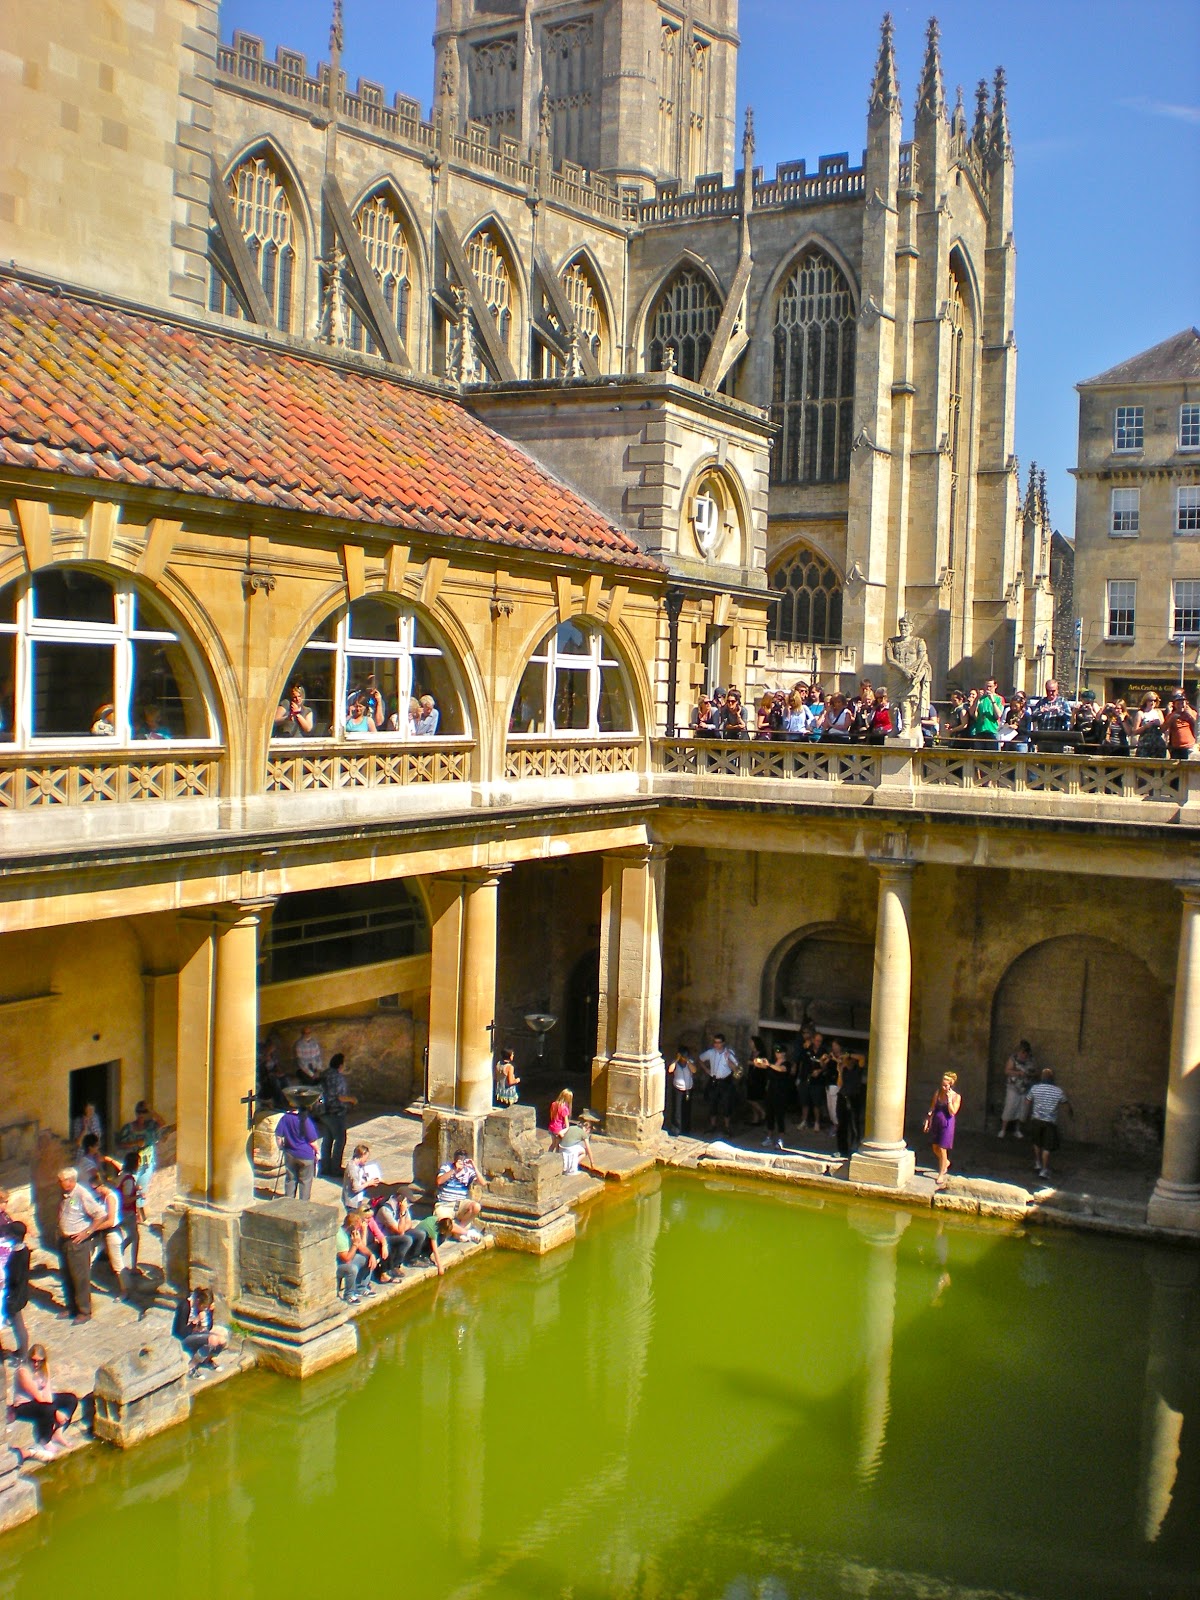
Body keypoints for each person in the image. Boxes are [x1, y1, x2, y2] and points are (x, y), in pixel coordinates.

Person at [11, 1346, 78, 1461]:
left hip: (42, 1401)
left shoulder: (44, 1368)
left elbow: (47, 1393)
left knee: (71, 1399)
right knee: (48, 1409)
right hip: (24, 1405)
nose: (36, 1364)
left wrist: (54, 1407)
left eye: (39, 1361)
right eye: (33, 1360)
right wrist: (56, 1412)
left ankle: (58, 1433)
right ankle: (44, 1440)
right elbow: (37, 1396)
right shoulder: (23, 1371)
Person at [57, 1166, 104, 1323]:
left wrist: (87, 1232)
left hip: (78, 1242)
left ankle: (84, 1311)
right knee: (67, 1276)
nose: (59, 1183)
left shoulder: (82, 1193)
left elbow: (99, 1215)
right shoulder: (66, 1194)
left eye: (61, 1180)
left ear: (70, 1181)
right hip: (64, 1240)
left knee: (80, 1277)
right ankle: (71, 1307)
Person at [1025, 1067, 1073, 1182]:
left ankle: (1037, 1163)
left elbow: (1027, 1101)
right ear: (1052, 1078)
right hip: (1049, 1122)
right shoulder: (1058, 1091)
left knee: (1037, 1142)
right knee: (1047, 1146)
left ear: (1042, 1077)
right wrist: (1070, 1113)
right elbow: (1065, 1104)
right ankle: (1044, 1169)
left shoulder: (1035, 1088)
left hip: (1036, 1120)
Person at [172, 1285, 228, 1377]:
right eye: (204, 1307)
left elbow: (208, 1328)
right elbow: (179, 1333)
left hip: (198, 1334)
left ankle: (207, 1359)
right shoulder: (185, 1306)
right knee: (213, 1339)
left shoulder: (202, 1308)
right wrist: (195, 1322)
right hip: (183, 1338)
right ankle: (191, 1367)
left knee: (222, 1340)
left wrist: (210, 1313)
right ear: (198, 1301)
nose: (204, 1309)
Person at [89, 1166, 127, 1296]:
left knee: (117, 1264)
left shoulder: (110, 1197)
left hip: (111, 1232)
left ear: (100, 1186)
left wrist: (91, 1229)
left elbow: (111, 1220)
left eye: (95, 1188)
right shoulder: (102, 1198)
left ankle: (125, 1291)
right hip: (102, 1234)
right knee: (89, 1259)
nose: (94, 1191)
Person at [116, 1102, 164, 1206]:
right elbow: (120, 1144)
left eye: (144, 1112)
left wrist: (151, 1111)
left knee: (142, 1189)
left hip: (147, 1163)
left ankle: (139, 1214)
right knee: (130, 1189)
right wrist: (134, 1143)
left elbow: (163, 1125)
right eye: (139, 1112)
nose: (141, 1114)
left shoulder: (152, 1126)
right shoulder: (128, 1128)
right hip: (132, 1164)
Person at [319, 1053, 356, 1178]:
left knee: (327, 1139)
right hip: (336, 1111)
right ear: (340, 1065)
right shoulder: (338, 1078)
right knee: (340, 1140)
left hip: (323, 1111)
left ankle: (325, 1167)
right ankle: (335, 1168)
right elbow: (340, 1096)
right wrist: (352, 1099)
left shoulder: (324, 1074)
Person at [275, 1099, 321, 1201]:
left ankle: (288, 1201)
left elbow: (278, 1136)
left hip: (290, 1153)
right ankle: (303, 1205)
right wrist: (318, 1151)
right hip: (305, 1155)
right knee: (305, 1182)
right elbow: (312, 1140)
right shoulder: (305, 1120)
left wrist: (281, 1146)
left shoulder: (285, 1118)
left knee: (290, 1179)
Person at [434, 1151, 484, 1242]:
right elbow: (439, 1181)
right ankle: (465, 1233)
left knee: (476, 1207)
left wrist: (474, 1167)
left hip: (460, 1203)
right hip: (445, 1204)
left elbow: (483, 1183)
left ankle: (458, 1232)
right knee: (444, 1221)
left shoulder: (468, 1170)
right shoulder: (446, 1167)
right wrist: (454, 1170)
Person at [923, 1072, 961, 1191]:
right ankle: (945, 1162)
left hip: (947, 1123)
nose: (943, 1087)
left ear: (951, 1085)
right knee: (935, 1147)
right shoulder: (938, 1093)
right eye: (942, 1085)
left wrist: (949, 1100)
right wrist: (928, 1119)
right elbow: (932, 1107)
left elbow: (953, 1112)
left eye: (946, 1086)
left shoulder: (956, 1097)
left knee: (942, 1147)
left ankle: (941, 1173)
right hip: (937, 1121)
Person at [3, 1222, 31, 1364]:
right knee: (17, 1323)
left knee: (18, 1324)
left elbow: (15, 1277)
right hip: (18, 1292)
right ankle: (22, 1351)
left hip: (16, 1294)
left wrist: (5, 1283)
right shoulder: (22, 1250)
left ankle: (23, 1355)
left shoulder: (19, 1254)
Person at [699, 1033, 738, 1134]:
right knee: (712, 1102)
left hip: (726, 1081)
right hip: (714, 1080)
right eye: (715, 1042)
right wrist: (706, 1069)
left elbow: (735, 1068)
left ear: (723, 1043)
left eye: (718, 1043)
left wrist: (728, 1059)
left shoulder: (729, 1053)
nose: (716, 1045)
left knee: (726, 1104)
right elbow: (700, 1059)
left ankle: (727, 1126)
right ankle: (713, 1125)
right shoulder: (711, 1052)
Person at [336, 1212, 377, 1304]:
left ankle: (361, 1288)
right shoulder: (340, 1236)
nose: (359, 1228)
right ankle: (349, 1295)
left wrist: (371, 1255)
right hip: (338, 1265)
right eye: (358, 1226)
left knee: (366, 1259)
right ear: (351, 1226)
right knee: (352, 1268)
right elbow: (346, 1259)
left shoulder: (353, 1232)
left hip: (348, 1260)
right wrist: (355, 1244)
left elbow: (362, 1247)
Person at [114, 1150, 143, 1276]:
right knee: (134, 1237)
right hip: (127, 1212)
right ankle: (133, 1266)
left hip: (119, 1212)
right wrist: (138, 1196)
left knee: (129, 1236)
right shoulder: (129, 1179)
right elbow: (126, 1200)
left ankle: (116, 1255)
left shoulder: (122, 1174)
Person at [999, 1040, 1035, 1139]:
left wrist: (1029, 1074)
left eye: (1026, 1053)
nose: (1024, 1055)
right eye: (1022, 1052)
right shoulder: (1013, 1058)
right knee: (1010, 1107)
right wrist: (1018, 1073)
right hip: (1013, 1087)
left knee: (1022, 1110)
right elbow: (1007, 1071)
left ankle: (1017, 1130)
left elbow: (1035, 1072)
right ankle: (1003, 1129)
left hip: (1025, 1088)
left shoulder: (1031, 1059)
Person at [763, 1045, 791, 1150]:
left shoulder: (786, 1064)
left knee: (780, 1116)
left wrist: (769, 1064)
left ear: (784, 1053)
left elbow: (781, 1069)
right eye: (776, 1052)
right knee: (770, 1115)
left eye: (779, 1052)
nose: (777, 1054)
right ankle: (769, 1136)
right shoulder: (773, 1063)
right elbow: (766, 1069)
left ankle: (781, 1139)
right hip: (771, 1091)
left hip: (781, 1093)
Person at [666, 1044, 695, 1136]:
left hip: (688, 1089)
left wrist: (687, 1061)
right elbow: (670, 1070)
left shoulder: (690, 1062)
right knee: (677, 1110)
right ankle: (676, 1129)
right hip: (678, 1089)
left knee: (686, 1109)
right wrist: (677, 1059)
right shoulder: (675, 1063)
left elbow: (694, 1070)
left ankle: (686, 1129)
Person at [341, 1144, 376, 1213]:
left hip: (357, 1200)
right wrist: (368, 1183)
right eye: (366, 1157)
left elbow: (358, 1178)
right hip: (352, 1203)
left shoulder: (358, 1165)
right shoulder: (352, 1169)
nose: (366, 1160)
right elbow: (356, 1188)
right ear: (361, 1156)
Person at [1164, 690, 1197, 758]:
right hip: (1176, 748)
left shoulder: (1192, 712)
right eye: (1178, 703)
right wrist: (1171, 719)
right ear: (1174, 705)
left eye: (1182, 703)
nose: (1180, 705)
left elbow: (1197, 726)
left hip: (1189, 747)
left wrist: (1190, 716)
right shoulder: (1171, 715)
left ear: (1186, 703)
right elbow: (1163, 729)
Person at [745, 1037, 769, 1128]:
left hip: (758, 1079)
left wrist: (752, 1063)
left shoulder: (762, 1053)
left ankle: (763, 1112)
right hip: (751, 1078)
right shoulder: (752, 1053)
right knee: (751, 1097)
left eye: (751, 1042)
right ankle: (755, 1119)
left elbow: (764, 1065)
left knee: (752, 1099)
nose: (750, 1043)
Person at [548, 1088, 574, 1153]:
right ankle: (556, 1160)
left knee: (553, 1144)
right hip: (558, 1129)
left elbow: (551, 1116)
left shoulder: (553, 1104)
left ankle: (547, 1155)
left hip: (551, 1127)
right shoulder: (564, 1108)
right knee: (558, 1147)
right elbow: (567, 1125)